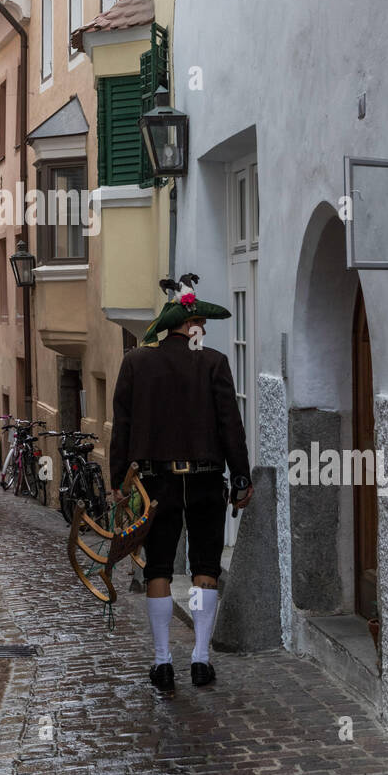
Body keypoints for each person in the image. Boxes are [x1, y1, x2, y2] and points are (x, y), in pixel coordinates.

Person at [110, 275, 253, 696]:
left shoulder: (136, 362)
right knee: (204, 567)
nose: (204, 330)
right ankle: (201, 659)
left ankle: (162, 662)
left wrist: (119, 477)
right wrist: (240, 476)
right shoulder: (214, 363)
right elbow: (231, 427)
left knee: (158, 567)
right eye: (200, 323)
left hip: (158, 481)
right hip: (207, 478)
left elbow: (124, 425)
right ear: (189, 326)